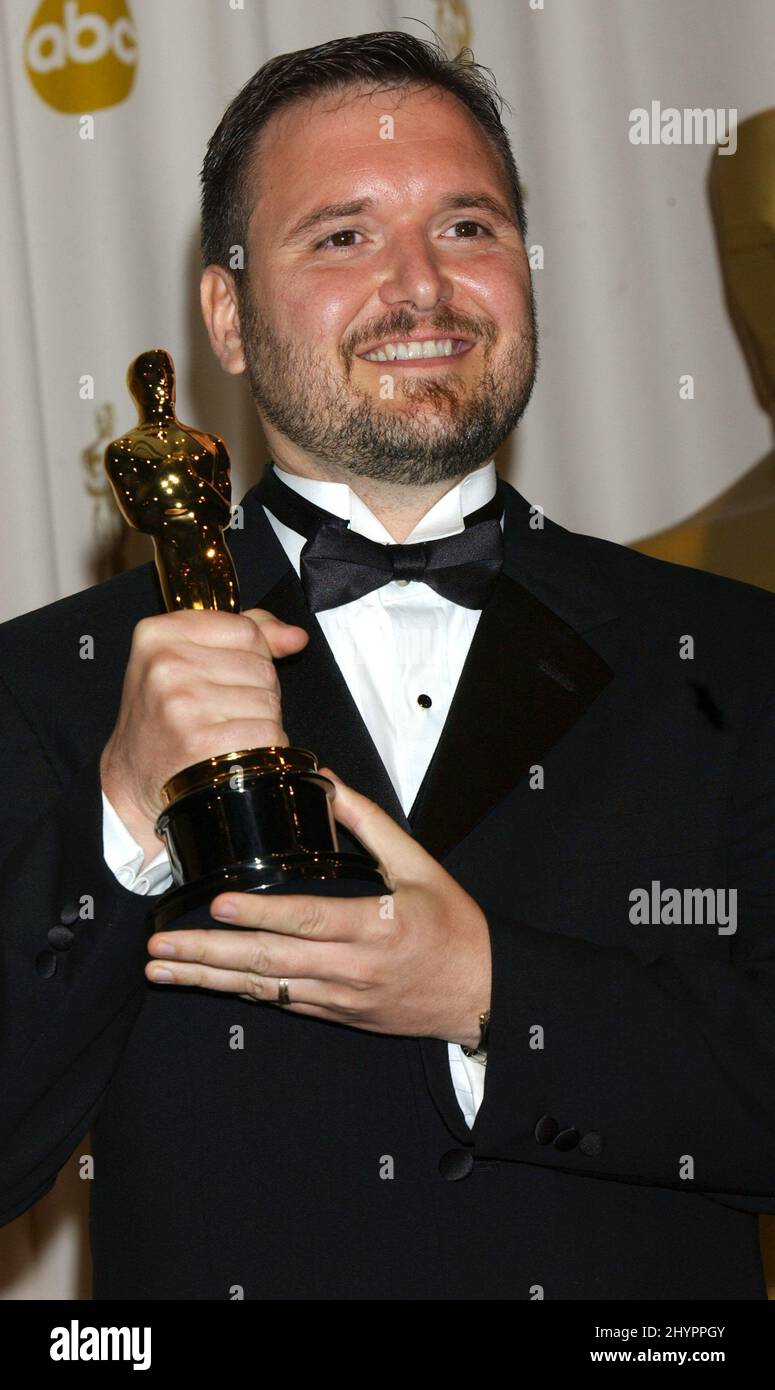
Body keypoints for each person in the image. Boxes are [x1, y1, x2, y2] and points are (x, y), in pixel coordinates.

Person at [1, 30, 773, 1301]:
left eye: (466, 227)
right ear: (227, 317)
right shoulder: (57, 683)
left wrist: (490, 992)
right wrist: (123, 816)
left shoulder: (733, 658)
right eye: (343, 235)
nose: (421, 286)